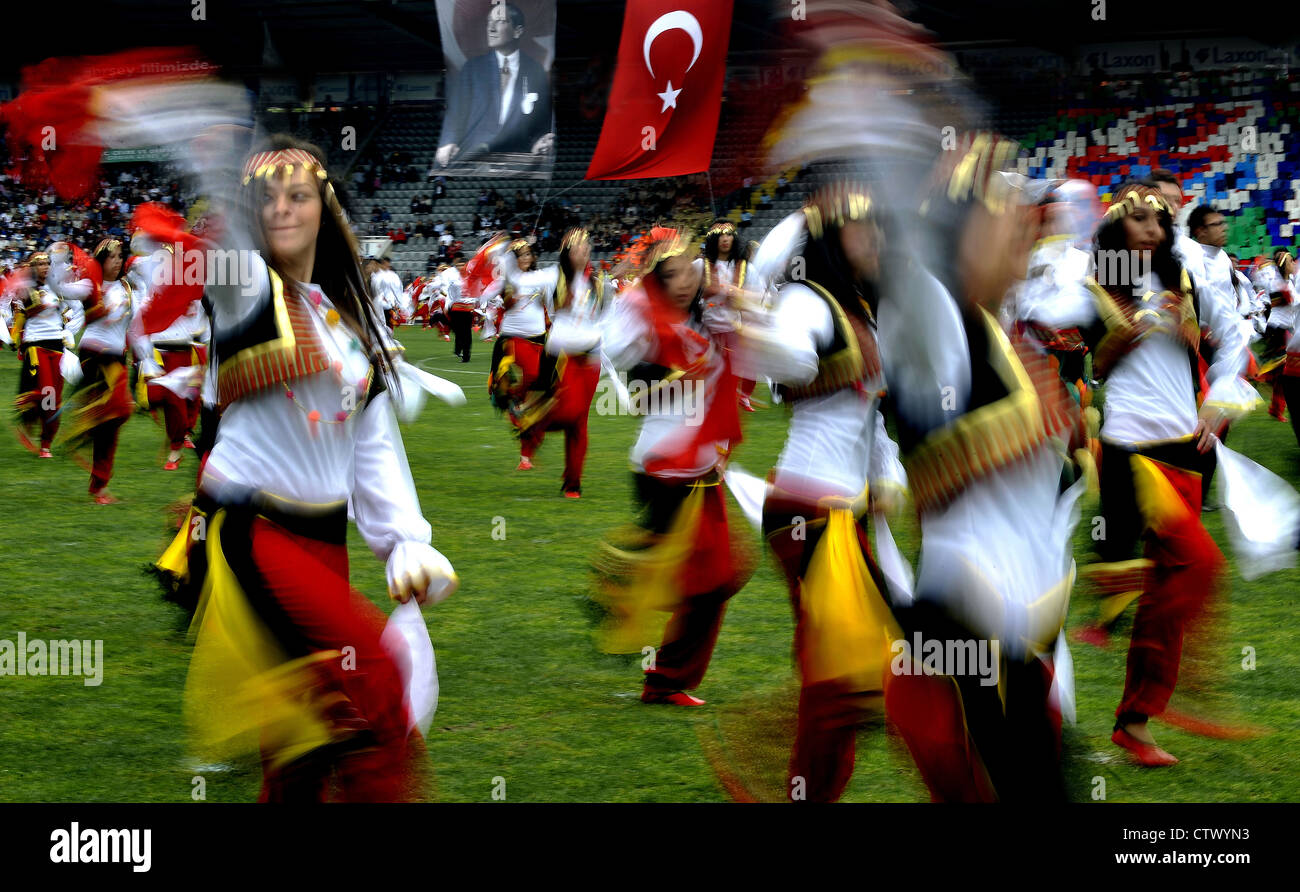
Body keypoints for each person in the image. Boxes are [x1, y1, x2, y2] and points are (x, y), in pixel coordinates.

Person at [157, 133, 458, 801]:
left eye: (299, 196)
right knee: (374, 690)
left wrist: (405, 541)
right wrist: (188, 122)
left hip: (325, 540)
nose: (282, 209)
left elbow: (372, 440)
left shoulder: (348, 317)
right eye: (267, 199)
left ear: (327, 209)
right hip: (253, 531)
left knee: (303, 739)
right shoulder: (245, 290)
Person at [1069, 182, 1255, 765]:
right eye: (1139, 220)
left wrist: (1219, 400)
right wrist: (1135, 330)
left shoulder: (1186, 279)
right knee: (1201, 564)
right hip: (1133, 448)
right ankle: (1189, 688)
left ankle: (1135, 722)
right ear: (1116, 230)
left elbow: (1237, 337)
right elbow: (1093, 363)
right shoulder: (1096, 284)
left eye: (1159, 221)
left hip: (1183, 446)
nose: (1152, 228)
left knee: (1166, 591)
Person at [739, 185, 907, 802]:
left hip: (844, 508)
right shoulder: (805, 301)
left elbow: (872, 417)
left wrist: (886, 476)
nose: (877, 239)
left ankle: (809, 785)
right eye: (864, 228)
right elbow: (793, 362)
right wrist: (752, 318)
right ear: (833, 241)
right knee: (845, 669)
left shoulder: (861, 311)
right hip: (808, 511)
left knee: (852, 664)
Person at [596, 226, 754, 706]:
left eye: (689, 271)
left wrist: (741, 306)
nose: (683, 281)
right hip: (662, 467)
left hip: (703, 468)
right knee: (710, 579)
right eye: (670, 274)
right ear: (656, 280)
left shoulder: (709, 317)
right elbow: (616, 354)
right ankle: (622, 586)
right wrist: (634, 303)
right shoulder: (647, 323)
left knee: (717, 579)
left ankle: (662, 670)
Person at [516, 228, 610, 498]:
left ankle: (573, 482)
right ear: (567, 253)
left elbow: (606, 317)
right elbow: (520, 280)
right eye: (578, 247)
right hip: (562, 355)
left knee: (579, 422)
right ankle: (530, 419)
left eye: (587, 246)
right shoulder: (552, 276)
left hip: (590, 358)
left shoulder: (599, 283)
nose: (585, 250)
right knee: (568, 412)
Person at [56, 238, 139, 502]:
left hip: (118, 356)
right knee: (122, 407)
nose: (117, 260)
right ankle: (83, 424)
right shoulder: (91, 285)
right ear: (101, 260)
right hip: (95, 354)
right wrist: (57, 263)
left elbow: (136, 326)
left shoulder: (127, 288)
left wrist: (145, 359)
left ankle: (99, 486)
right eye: (112, 256)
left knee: (110, 426)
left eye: (120, 256)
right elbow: (61, 289)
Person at [435, 2, 554, 168]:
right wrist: (448, 140)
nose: (491, 28)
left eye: (500, 21)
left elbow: (541, 116)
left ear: (518, 31)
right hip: (475, 156)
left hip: (518, 156)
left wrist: (538, 141)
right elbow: (456, 111)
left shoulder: (535, 70)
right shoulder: (473, 69)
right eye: (489, 22)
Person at [10, 248, 87, 457]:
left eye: (47, 264)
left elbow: (78, 308)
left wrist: (68, 330)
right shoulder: (26, 289)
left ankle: (46, 443)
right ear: (33, 268)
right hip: (36, 345)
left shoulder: (57, 288)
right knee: (46, 392)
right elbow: (25, 311)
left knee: (54, 398)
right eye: (40, 264)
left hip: (57, 346)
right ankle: (28, 414)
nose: (45, 267)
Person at [487, 237, 554, 469]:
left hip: (539, 339)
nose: (525, 258)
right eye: (520, 255)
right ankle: (515, 399)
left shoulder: (541, 278)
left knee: (538, 400)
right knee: (533, 375)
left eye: (528, 254)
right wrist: (511, 292)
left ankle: (525, 457)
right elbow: (505, 304)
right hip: (513, 338)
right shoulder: (509, 279)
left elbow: (551, 307)